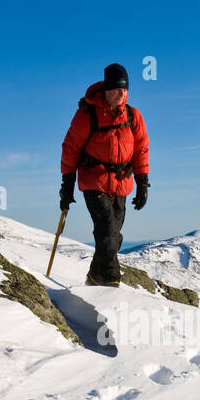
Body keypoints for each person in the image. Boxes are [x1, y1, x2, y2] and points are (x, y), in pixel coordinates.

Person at [59, 63, 149, 286]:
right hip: (94, 180)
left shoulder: (133, 116)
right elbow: (70, 147)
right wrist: (67, 183)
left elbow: (141, 150)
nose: (122, 94)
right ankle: (111, 284)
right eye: (118, 89)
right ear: (106, 90)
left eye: (125, 89)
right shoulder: (87, 115)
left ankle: (94, 279)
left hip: (121, 184)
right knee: (107, 229)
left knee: (113, 237)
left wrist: (142, 182)